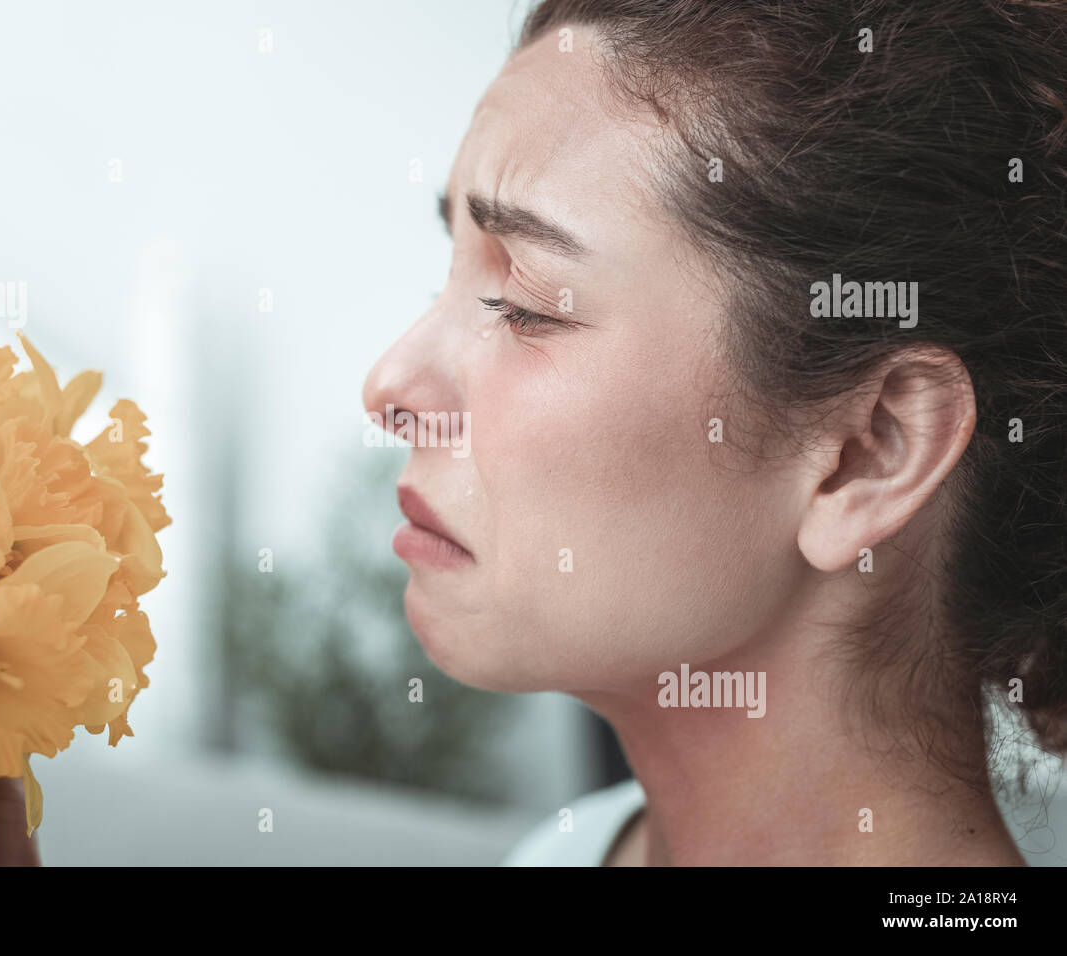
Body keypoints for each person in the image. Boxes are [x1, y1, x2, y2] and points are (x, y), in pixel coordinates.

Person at [362, 0, 1067, 865]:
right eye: (453, 271)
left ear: (869, 453)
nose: (390, 387)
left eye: (525, 305)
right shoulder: (566, 851)